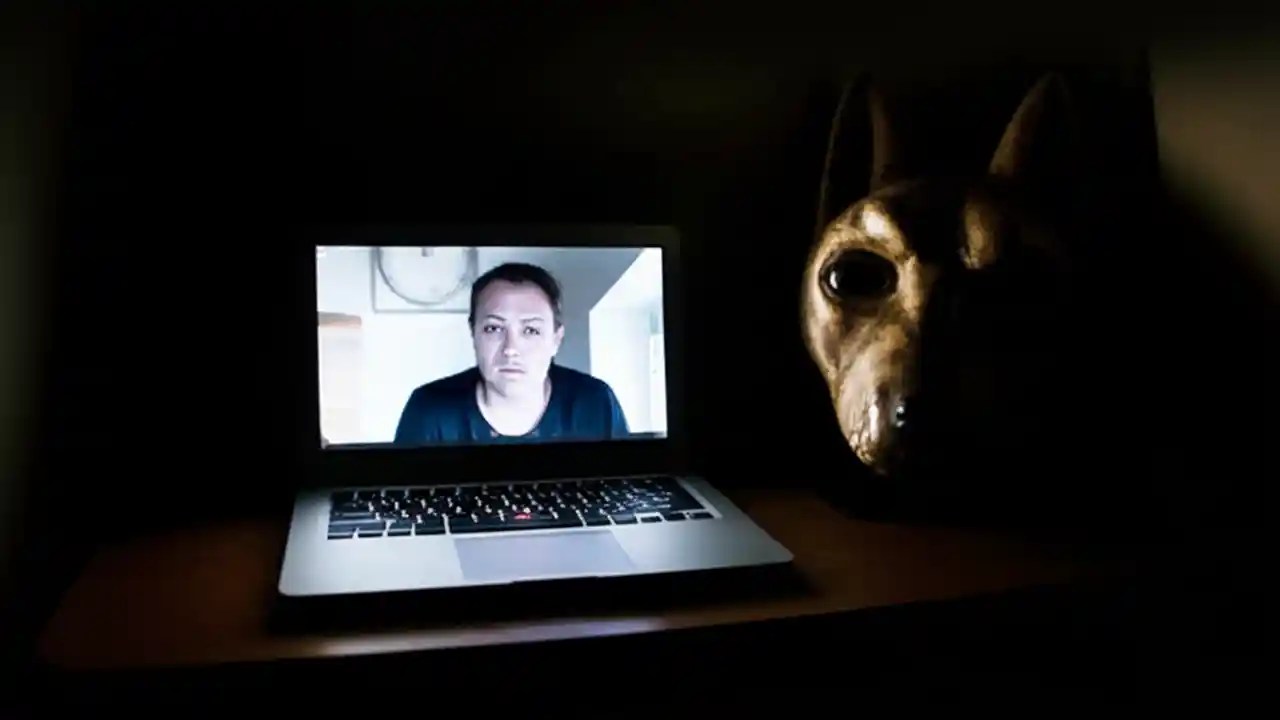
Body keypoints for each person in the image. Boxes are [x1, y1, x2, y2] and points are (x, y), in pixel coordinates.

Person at [393, 262, 630, 445]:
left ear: (556, 340)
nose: (510, 349)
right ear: (473, 334)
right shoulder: (428, 409)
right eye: (494, 328)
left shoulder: (596, 402)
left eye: (531, 330)